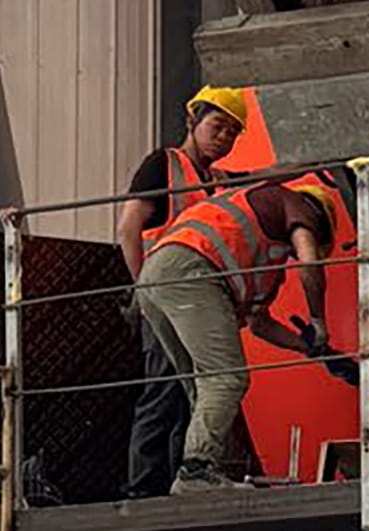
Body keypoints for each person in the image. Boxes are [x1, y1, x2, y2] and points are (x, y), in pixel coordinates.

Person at [134, 166, 350, 489]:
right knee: (227, 378)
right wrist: (318, 322)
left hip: (155, 275)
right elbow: (310, 266)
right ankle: (195, 473)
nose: (293, 252)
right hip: (194, 269)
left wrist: (310, 349)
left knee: (199, 386)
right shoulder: (296, 205)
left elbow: (260, 324)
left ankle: (203, 473)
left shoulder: (263, 252)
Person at [118, 85, 249, 498]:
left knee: (192, 389)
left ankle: (182, 478)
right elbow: (128, 227)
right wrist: (143, 289)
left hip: (193, 297)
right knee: (164, 388)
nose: (223, 138)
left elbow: (263, 179)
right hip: (164, 292)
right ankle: (144, 488)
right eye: (218, 126)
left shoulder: (218, 181)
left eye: (232, 132)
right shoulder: (164, 165)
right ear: (193, 119)